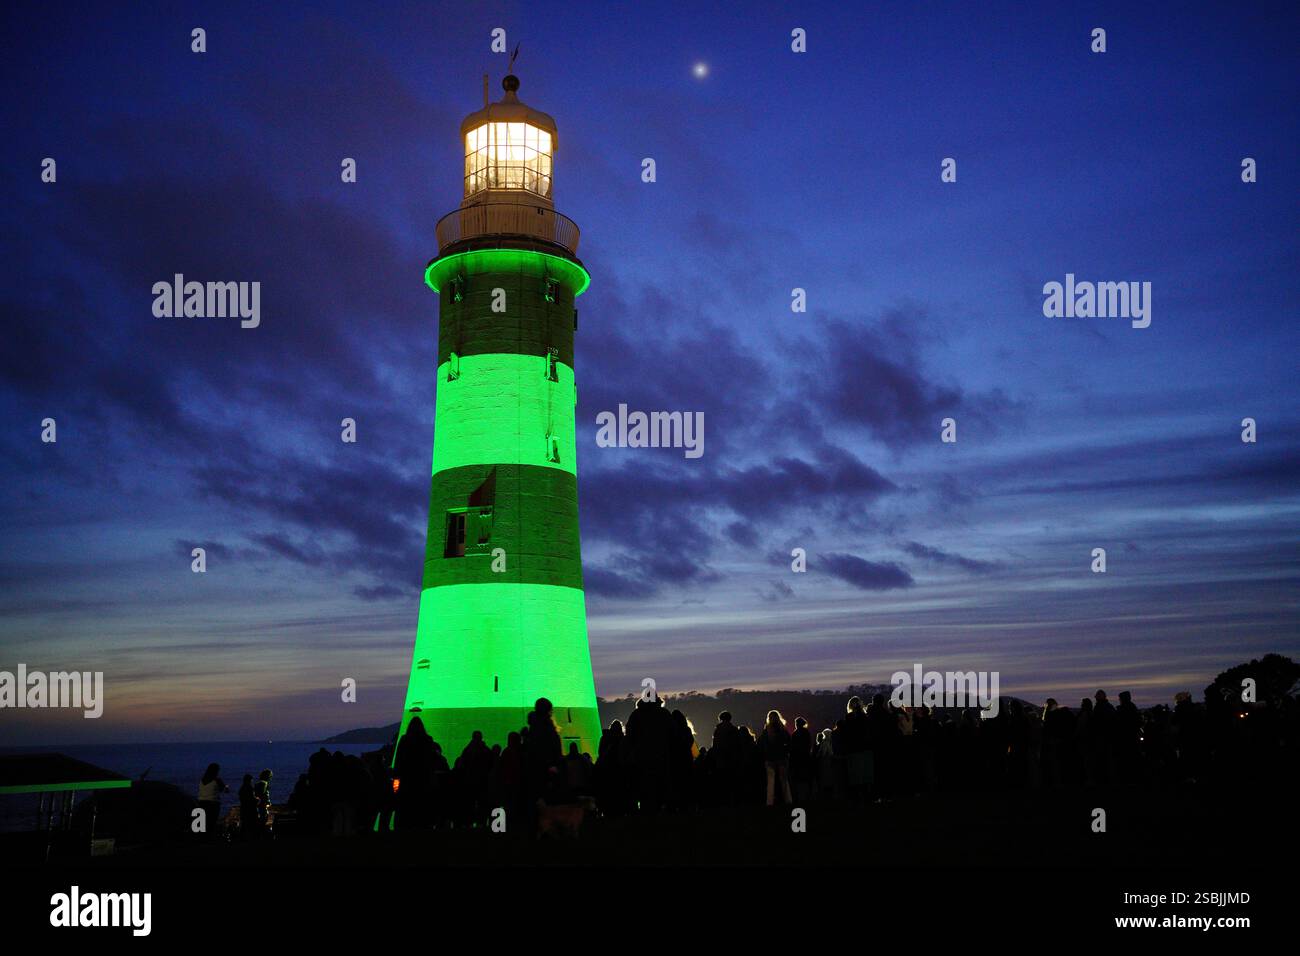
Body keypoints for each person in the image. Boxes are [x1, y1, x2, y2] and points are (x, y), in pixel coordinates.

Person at [758, 710, 793, 806]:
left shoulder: (766, 731)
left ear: (769, 718)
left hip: (769, 759)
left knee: (770, 782)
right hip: (782, 758)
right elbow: (789, 743)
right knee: (784, 781)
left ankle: (769, 802)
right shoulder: (783, 730)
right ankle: (788, 800)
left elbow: (761, 744)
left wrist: (765, 754)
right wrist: (785, 752)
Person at [197, 763, 228, 840]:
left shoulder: (202, 780)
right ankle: (210, 839)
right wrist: (226, 787)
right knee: (212, 822)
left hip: (201, 803)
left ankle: (201, 839)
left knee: (203, 823)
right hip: (213, 804)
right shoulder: (217, 780)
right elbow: (224, 790)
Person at [238, 773, 257, 840]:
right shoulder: (250, 788)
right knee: (250, 823)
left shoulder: (241, 788)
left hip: (243, 807)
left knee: (244, 823)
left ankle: (242, 837)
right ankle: (250, 837)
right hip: (250, 808)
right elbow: (252, 798)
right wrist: (258, 800)